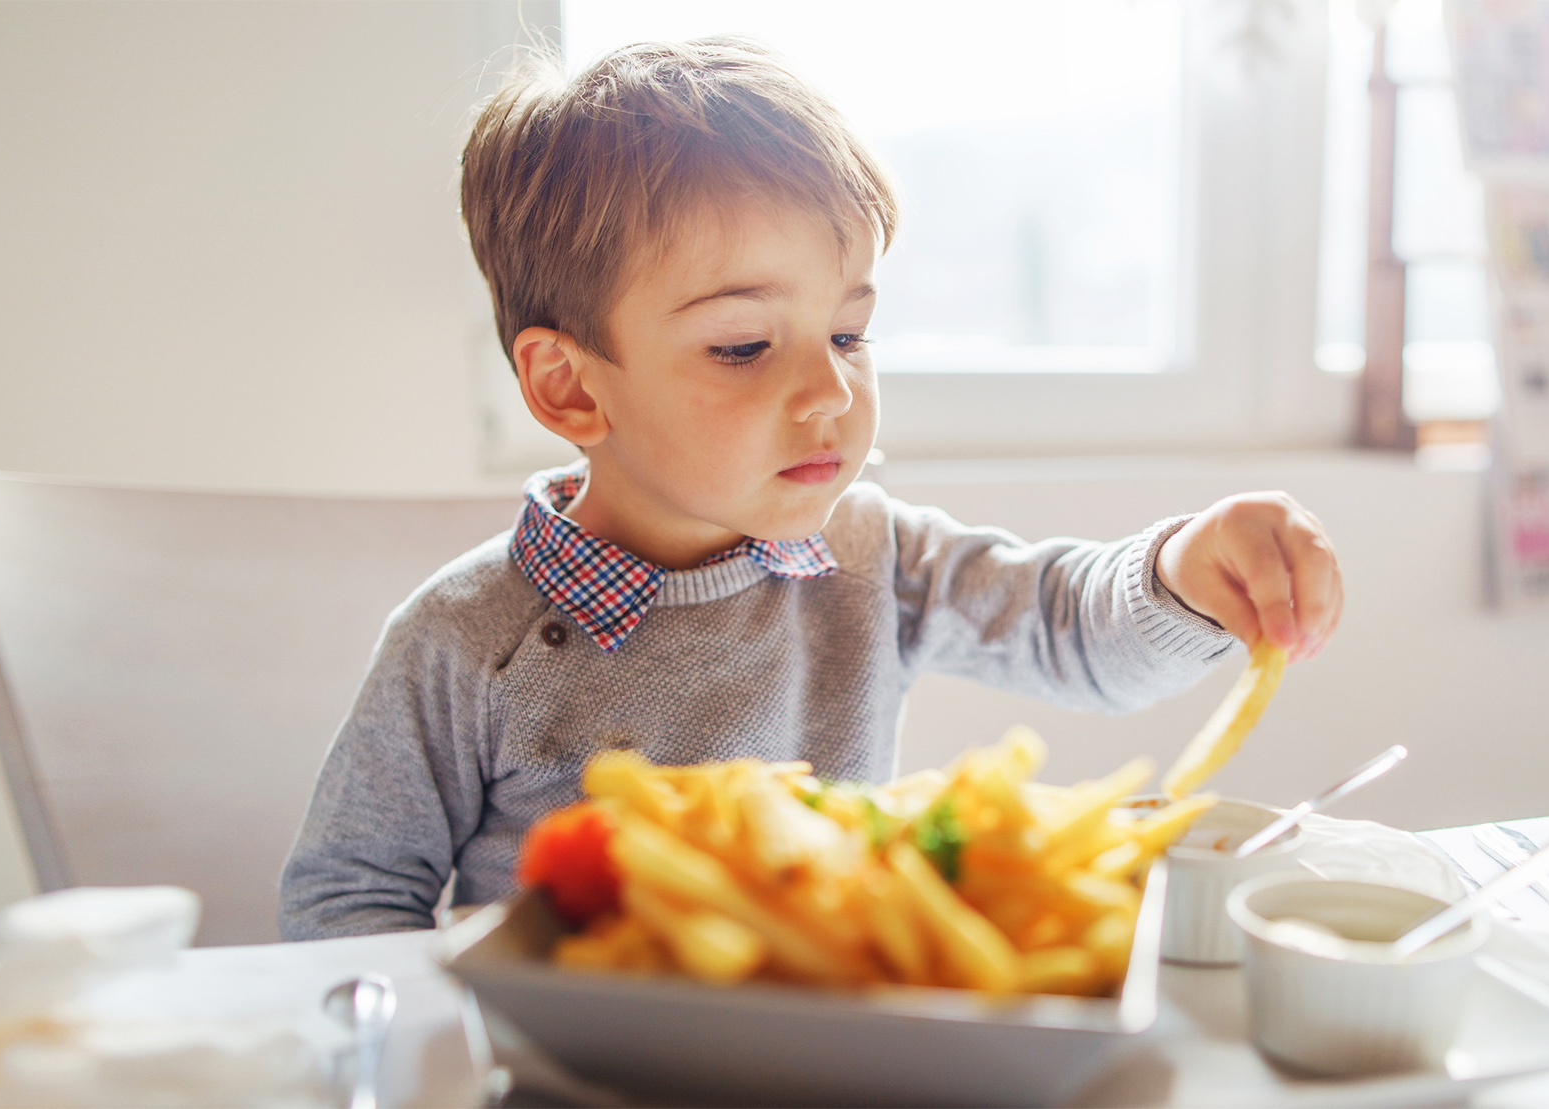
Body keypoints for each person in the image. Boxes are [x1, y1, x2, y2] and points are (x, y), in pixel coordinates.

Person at [278, 38, 1343, 940]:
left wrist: (1182, 572)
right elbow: (349, 896)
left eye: (849, 331)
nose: (830, 388)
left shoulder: (873, 553)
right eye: (743, 345)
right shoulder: (464, 641)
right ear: (570, 387)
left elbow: (1070, 626)